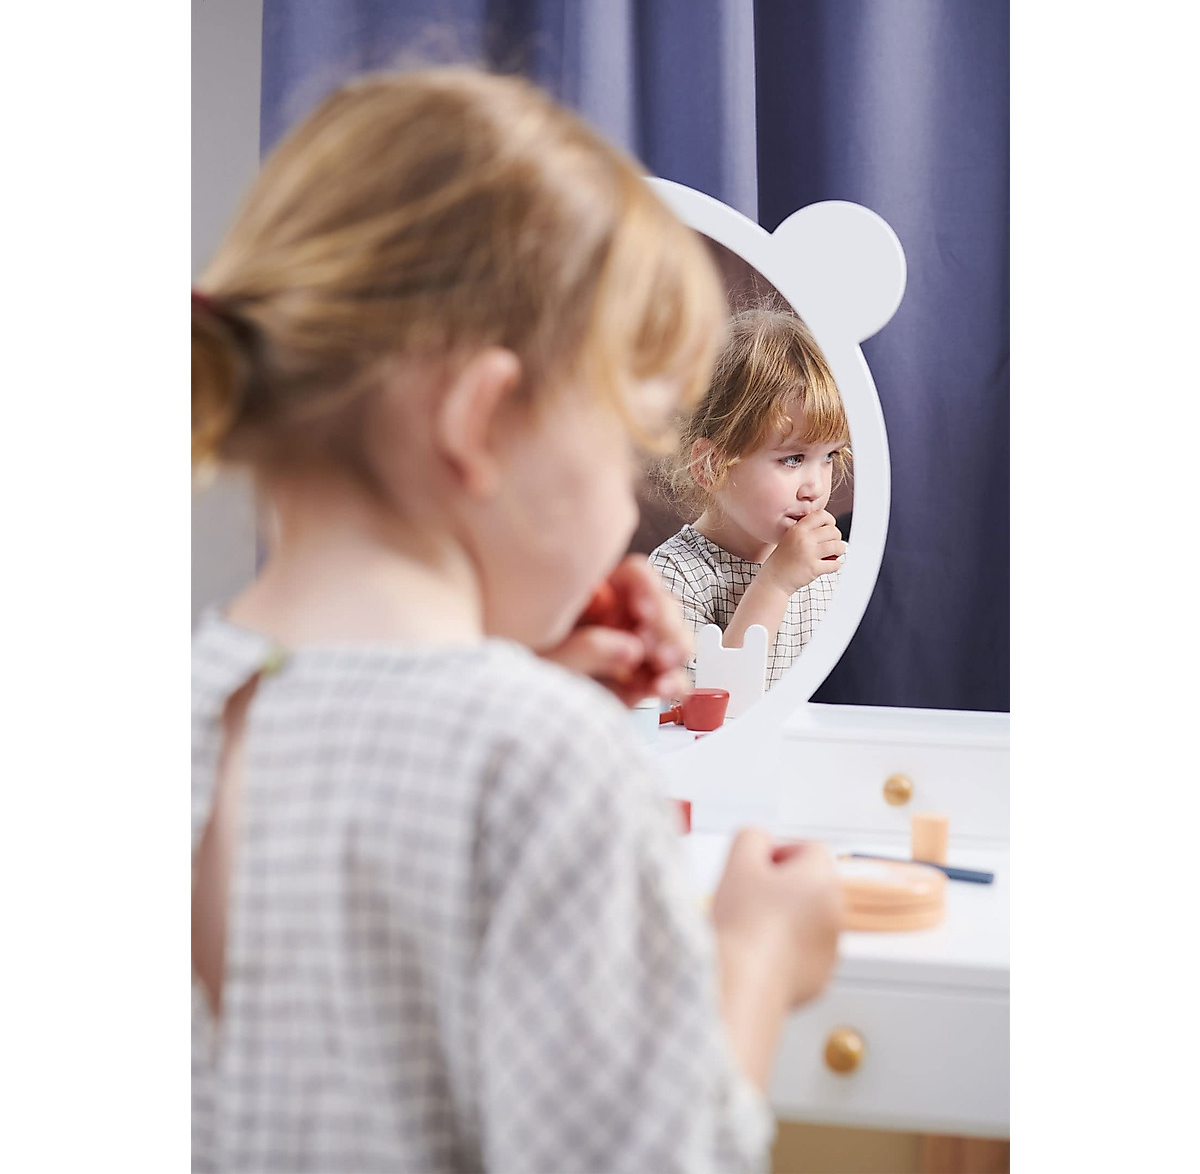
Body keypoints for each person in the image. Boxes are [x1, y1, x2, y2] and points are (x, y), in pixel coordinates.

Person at [191, 68, 841, 1174]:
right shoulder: (544, 760)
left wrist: (526, 665)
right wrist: (757, 961)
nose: (621, 500)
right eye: (627, 434)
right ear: (482, 421)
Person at [649, 309, 851, 689]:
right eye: (793, 459)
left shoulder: (829, 567)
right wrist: (774, 584)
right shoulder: (675, 577)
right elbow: (706, 706)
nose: (816, 487)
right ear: (711, 465)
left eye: (829, 457)